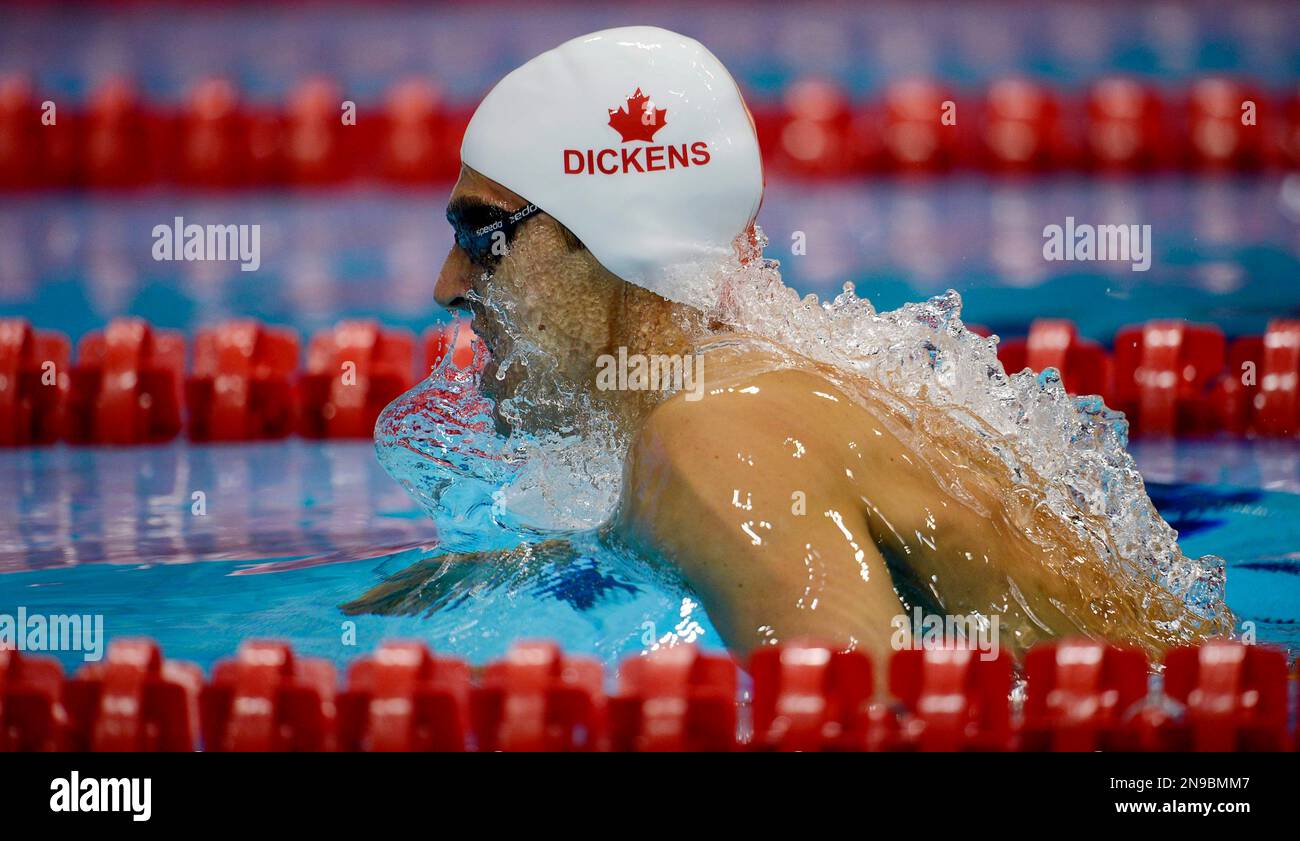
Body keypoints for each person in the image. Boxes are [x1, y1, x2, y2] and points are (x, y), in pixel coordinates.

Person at [343, 26, 1227, 663]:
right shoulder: (758, 389)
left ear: (604, 236)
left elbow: (843, 721)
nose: (449, 284)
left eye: (484, 232)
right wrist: (512, 573)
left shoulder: (708, 440)